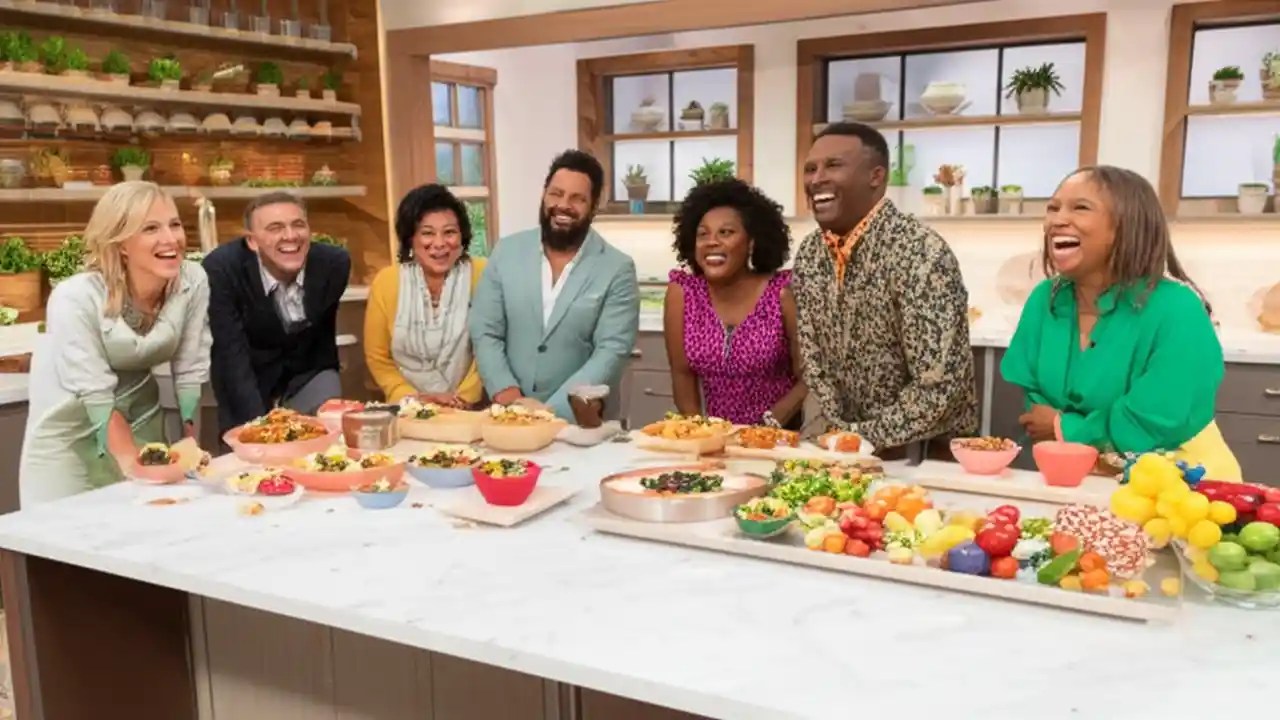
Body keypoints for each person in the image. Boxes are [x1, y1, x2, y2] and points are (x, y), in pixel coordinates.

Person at [1001, 166, 1241, 480]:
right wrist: (1071, 438)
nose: (1057, 220)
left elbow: (1159, 418)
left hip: (1181, 487)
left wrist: (1064, 427)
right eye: (1053, 208)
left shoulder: (1177, 309)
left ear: (1127, 226)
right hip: (1080, 478)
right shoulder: (1045, 299)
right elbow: (1033, 397)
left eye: (1080, 208)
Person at [19, 181, 211, 505]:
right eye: (151, 228)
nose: (171, 239)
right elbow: (95, 393)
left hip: (143, 421)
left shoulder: (192, 281)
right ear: (121, 243)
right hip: (71, 433)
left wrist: (193, 452)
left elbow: (189, 371)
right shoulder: (75, 297)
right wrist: (131, 464)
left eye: (175, 224)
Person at [793, 122, 977, 458]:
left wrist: (865, 436)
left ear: (876, 177)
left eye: (833, 165)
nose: (816, 178)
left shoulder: (921, 251)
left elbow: (938, 387)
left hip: (923, 453)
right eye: (810, 168)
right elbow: (814, 358)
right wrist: (844, 433)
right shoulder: (808, 254)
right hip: (848, 447)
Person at [469, 149, 639, 422]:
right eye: (556, 194)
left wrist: (548, 414)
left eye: (577, 198)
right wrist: (510, 397)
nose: (563, 205)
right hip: (508, 417)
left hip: (582, 425)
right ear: (544, 195)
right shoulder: (506, 251)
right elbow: (485, 330)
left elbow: (612, 351)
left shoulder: (617, 268)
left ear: (594, 206)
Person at [204, 191, 350, 433]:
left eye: (298, 225)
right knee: (250, 453)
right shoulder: (221, 270)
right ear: (252, 241)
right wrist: (261, 429)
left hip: (308, 369)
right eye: (275, 228)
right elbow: (231, 353)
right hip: (247, 370)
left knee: (323, 447)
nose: (290, 236)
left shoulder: (335, 265)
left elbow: (320, 332)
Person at [664, 179, 805, 427]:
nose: (712, 242)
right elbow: (682, 375)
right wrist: (700, 433)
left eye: (726, 232)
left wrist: (768, 426)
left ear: (751, 243)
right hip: (716, 441)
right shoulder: (683, 293)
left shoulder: (782, 292)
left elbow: (808, 375)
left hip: (778, 437)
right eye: (702, 234)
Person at [364, 184, 487, 406]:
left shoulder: (484, 275)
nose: (439, 244)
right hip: (407, 409)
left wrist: (463, 398)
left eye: (449, 232)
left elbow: (491, 348)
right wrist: (411, 398)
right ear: (410, 238)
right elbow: (378, 357)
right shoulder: (387, 282)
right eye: (427, 233)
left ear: (462, 236)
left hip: (471, 409)